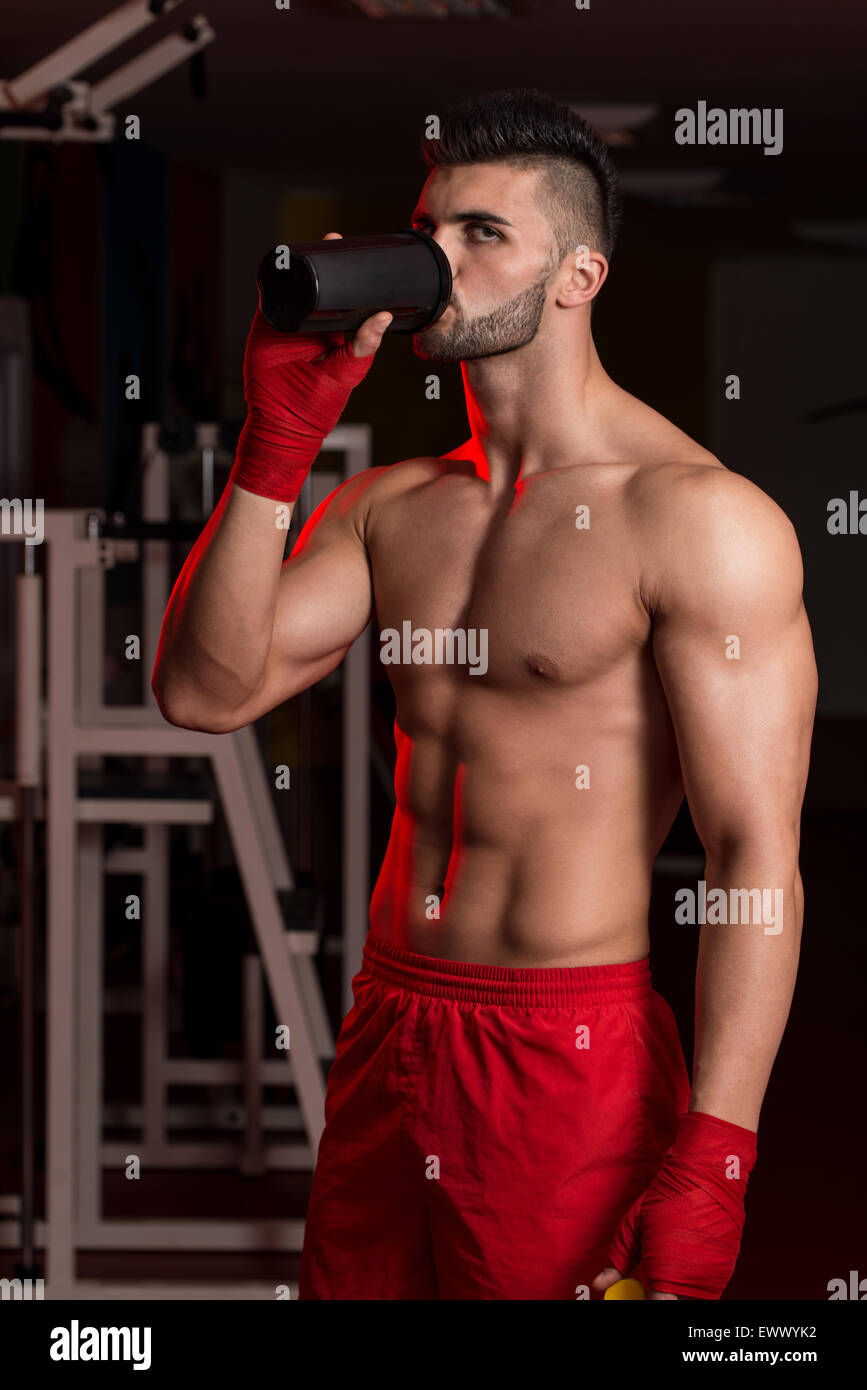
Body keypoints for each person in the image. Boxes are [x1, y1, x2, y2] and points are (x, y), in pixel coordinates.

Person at [152, 88, 817, 1301]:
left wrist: (716, 1153)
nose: (432, 260)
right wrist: (276, 446)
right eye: (427, 227)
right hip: (387, 1032)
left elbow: (754, 855)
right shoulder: (392, 508)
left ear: (577, 276)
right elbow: (204, 692)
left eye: (480, 235)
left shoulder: (700, 520)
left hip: (567, 1055)